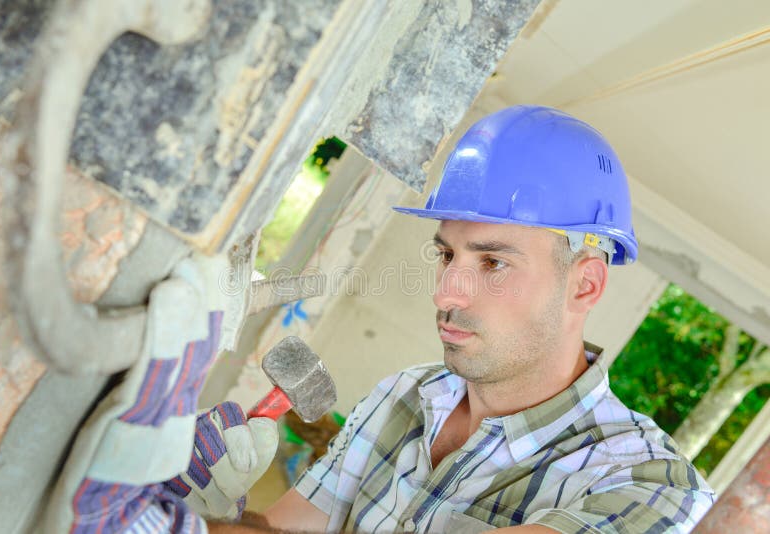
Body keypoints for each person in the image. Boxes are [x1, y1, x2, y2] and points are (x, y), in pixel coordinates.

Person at [63, 106, 713, 533]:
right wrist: (188, 517)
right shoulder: (404, 395)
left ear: (586, 282)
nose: (448, 291)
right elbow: (288, 528)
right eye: (447, 253)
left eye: (493, 263)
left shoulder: (652, 485)